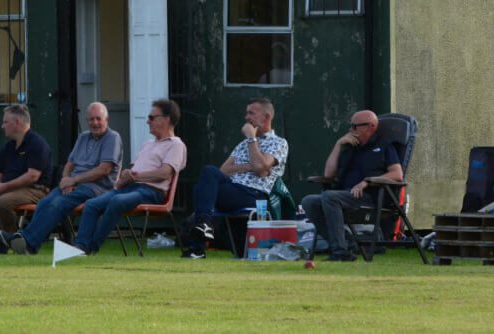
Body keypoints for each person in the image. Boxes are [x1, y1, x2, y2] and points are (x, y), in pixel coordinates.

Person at [3, 102, 123, 255]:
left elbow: (104, 170)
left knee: (58, 203)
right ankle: (28, 244)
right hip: (74, 184)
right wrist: (65, 180)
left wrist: (75, 180)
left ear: (107, 119)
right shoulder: (83, 137)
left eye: (98, 119)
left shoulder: (112, 137)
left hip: (97, 188)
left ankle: (27, 242)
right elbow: (69, 164)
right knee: (44, 202)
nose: (95, 123)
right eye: (91, 119)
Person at [70, 99, 186, 256]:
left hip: (151, 191)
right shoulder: (148, 144)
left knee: (116, 201)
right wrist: (126, 175)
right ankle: (80, 247)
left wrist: (136, 176)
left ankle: (91, 248)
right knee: (91, 204)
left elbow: (164, 173)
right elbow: (133, 169)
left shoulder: (176, 145)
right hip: (130, 187)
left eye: (151, 118)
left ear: (167, 119)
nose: (147, 121)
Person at [181, 97, 289, 258]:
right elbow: (224, 170)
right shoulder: (242, 144)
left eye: (251, 113)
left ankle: (198, 246)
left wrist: (252, 139)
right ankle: (203, 228)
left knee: (202, 190)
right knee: (209, 172)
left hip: (254, 194)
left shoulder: (279, 143)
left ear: (266, 117)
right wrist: (251, 165)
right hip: (233, 189)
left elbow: (260, 169)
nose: (246, 118)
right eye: (246, 113)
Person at [302, 109, 402, 262]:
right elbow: (328, 175)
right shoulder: (350, 146)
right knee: (309, 201)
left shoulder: (385, 145)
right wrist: (338, 145)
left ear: (371, 126)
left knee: (329, 197)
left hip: (371, 198)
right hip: (345, 196)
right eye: (351, 126)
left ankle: (340, 252)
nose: (351, 130)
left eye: (355, 126)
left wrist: (366, 182)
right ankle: (347, 243)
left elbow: (397, 174)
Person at [0, 103, 52, 253]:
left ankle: (14, 239)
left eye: (6, 122)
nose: (2, 126)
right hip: (9, 189)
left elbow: (33, 176)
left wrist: (3, 187)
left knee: (2, 202)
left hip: (35, 190)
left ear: (17, 123)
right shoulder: (8, 147)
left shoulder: (37, 144)